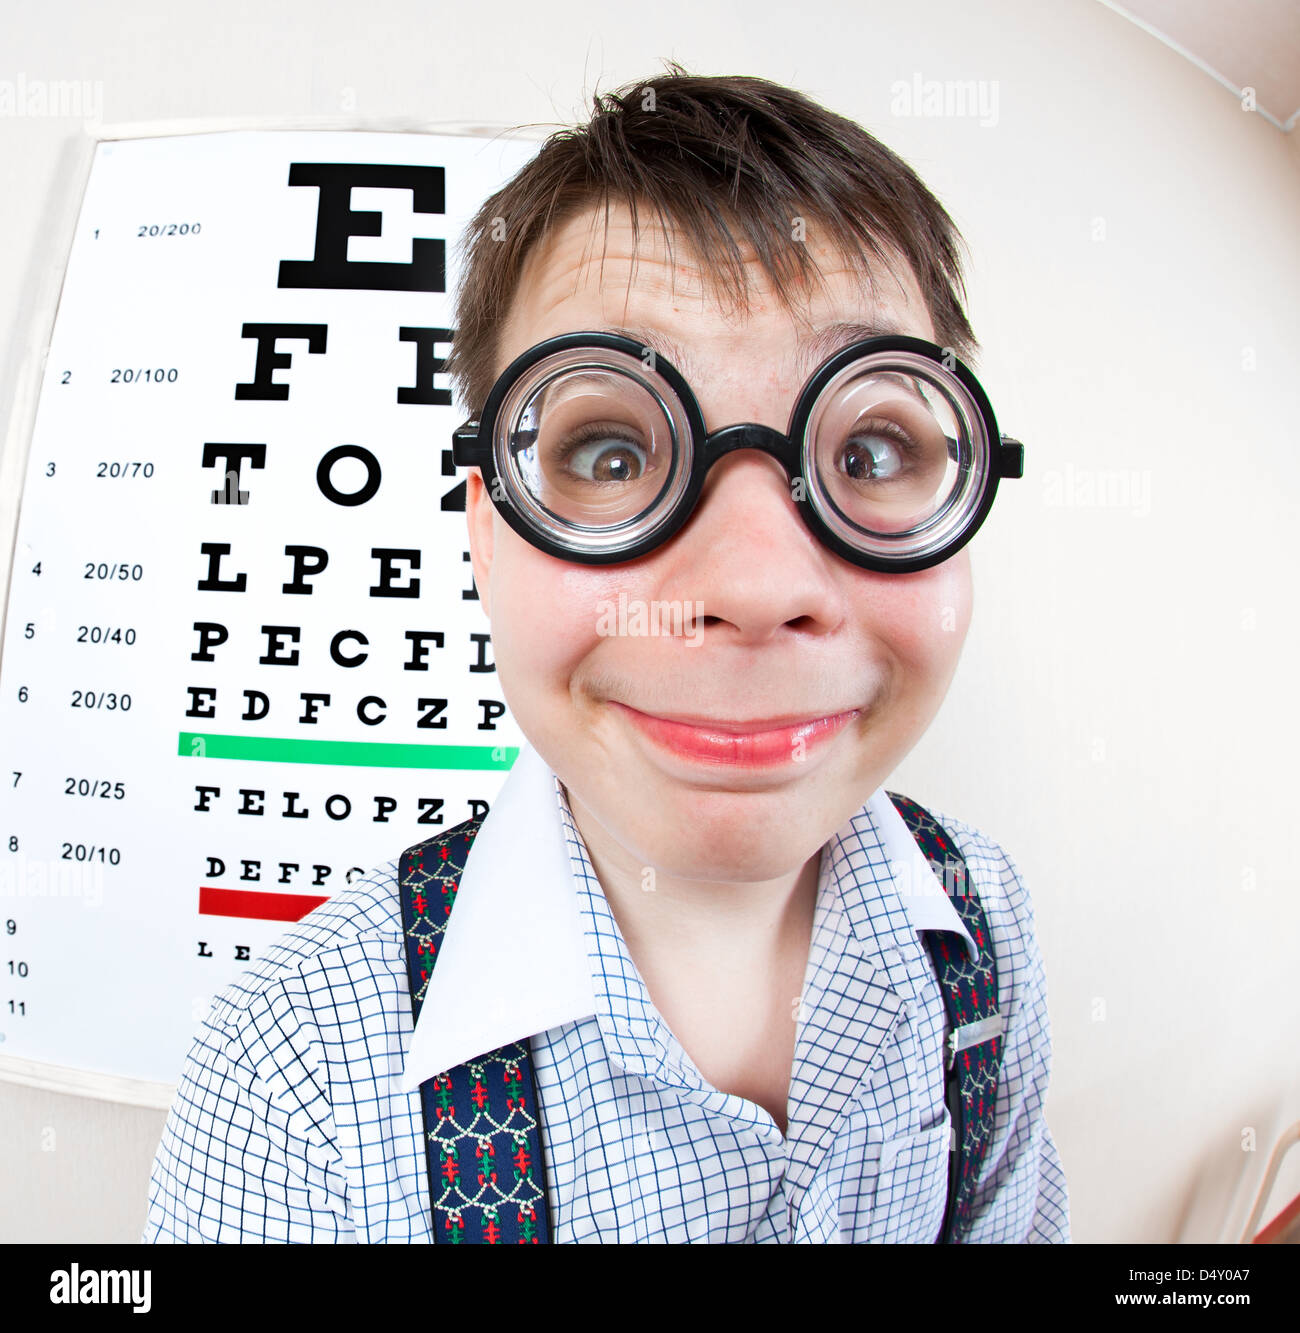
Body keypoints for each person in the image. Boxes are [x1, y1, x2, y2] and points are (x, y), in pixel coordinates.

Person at [144, 66, 1069, 1244]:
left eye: (873, 452)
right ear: (486, 526)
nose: (754, 588)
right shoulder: (296, 1077)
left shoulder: (986, 925)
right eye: (614, 453)